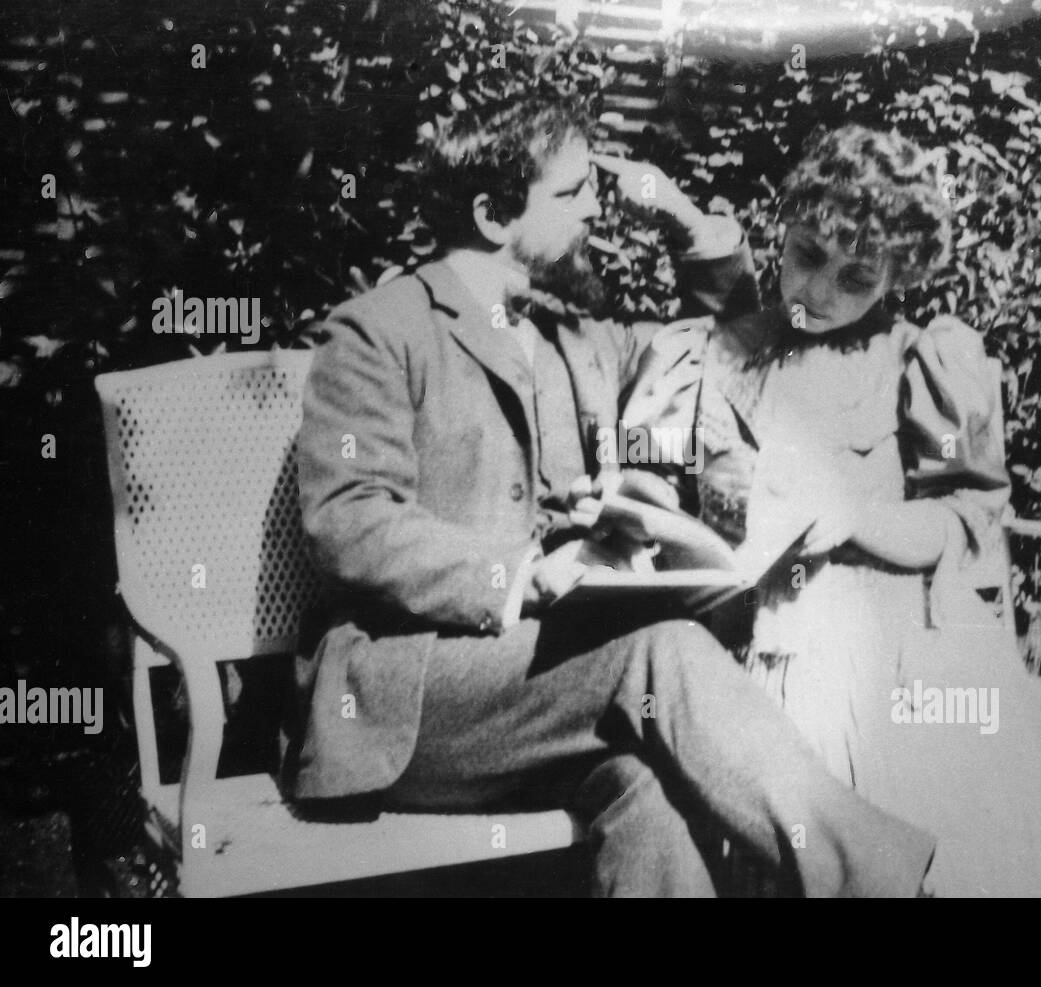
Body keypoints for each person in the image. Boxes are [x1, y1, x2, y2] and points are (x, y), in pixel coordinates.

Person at [281, 98, 939, 897]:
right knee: (661, 649)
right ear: (493, 214)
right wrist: (523, 573)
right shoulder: (379, 331)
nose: (598, 207)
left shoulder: (578, 338)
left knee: (656, 797)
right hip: (406, 698)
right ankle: (889, 885)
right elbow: (350, 519)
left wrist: (688, 220)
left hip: (544, 696)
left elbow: (730, 336)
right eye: (573, 193)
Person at [621, 125, 1041, 897]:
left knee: (945, 846)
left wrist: (855, 514)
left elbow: (966, 520)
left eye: (857, 278)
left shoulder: (919, 359)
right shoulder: (727, 349)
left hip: (893, 648)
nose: (817, 293)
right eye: (804, 257)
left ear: (897, 277)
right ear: (782, 229)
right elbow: (674, 474)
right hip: (757, 641)